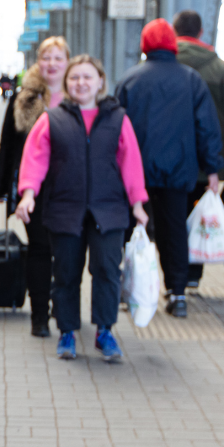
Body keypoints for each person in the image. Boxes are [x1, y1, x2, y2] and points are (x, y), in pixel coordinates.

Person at [15, 55, 149, 362]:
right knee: (66, 273)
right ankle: (67, 331)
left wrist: (138, 203)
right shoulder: (51, 119)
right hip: (64, 207)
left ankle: (105, 331)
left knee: (106, 270)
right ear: (66, 83)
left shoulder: (118, 119)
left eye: (88, 77)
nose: (81, 83)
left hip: (110, 209)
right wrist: (28, 194)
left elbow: (131, 164)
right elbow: (35, 160)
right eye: (75, 78)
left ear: (101, 82)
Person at [115, 18, 223, 318]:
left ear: (145, 45)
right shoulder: (191, 79)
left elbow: (115, 129)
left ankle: (128, 289)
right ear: (173, 44)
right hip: (178, 172)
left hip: (137, 172)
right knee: (174, 231)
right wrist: (213, 169)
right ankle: (177, 294)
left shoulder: (129, 79)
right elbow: (207, 128)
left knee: (132, 228)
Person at [0, 36, 71, 337]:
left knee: (66, 252)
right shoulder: (24, 97)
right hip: (32, 188)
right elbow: (8, 143)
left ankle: (63, 308)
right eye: (46, 58)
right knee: (39, 248)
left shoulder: (79, 97)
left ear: (67, 62)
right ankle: (39, 315)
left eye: (57, 58)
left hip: (69, 188)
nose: (51, 64)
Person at [174, 9, 224, 289]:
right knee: (200, 211)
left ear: (174, 31)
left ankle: (176, 274)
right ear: (201, 33)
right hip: (210, 158)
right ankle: (193, 274)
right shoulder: (219, 67)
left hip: (174, 156)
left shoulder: (169, 63)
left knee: (175, 214)